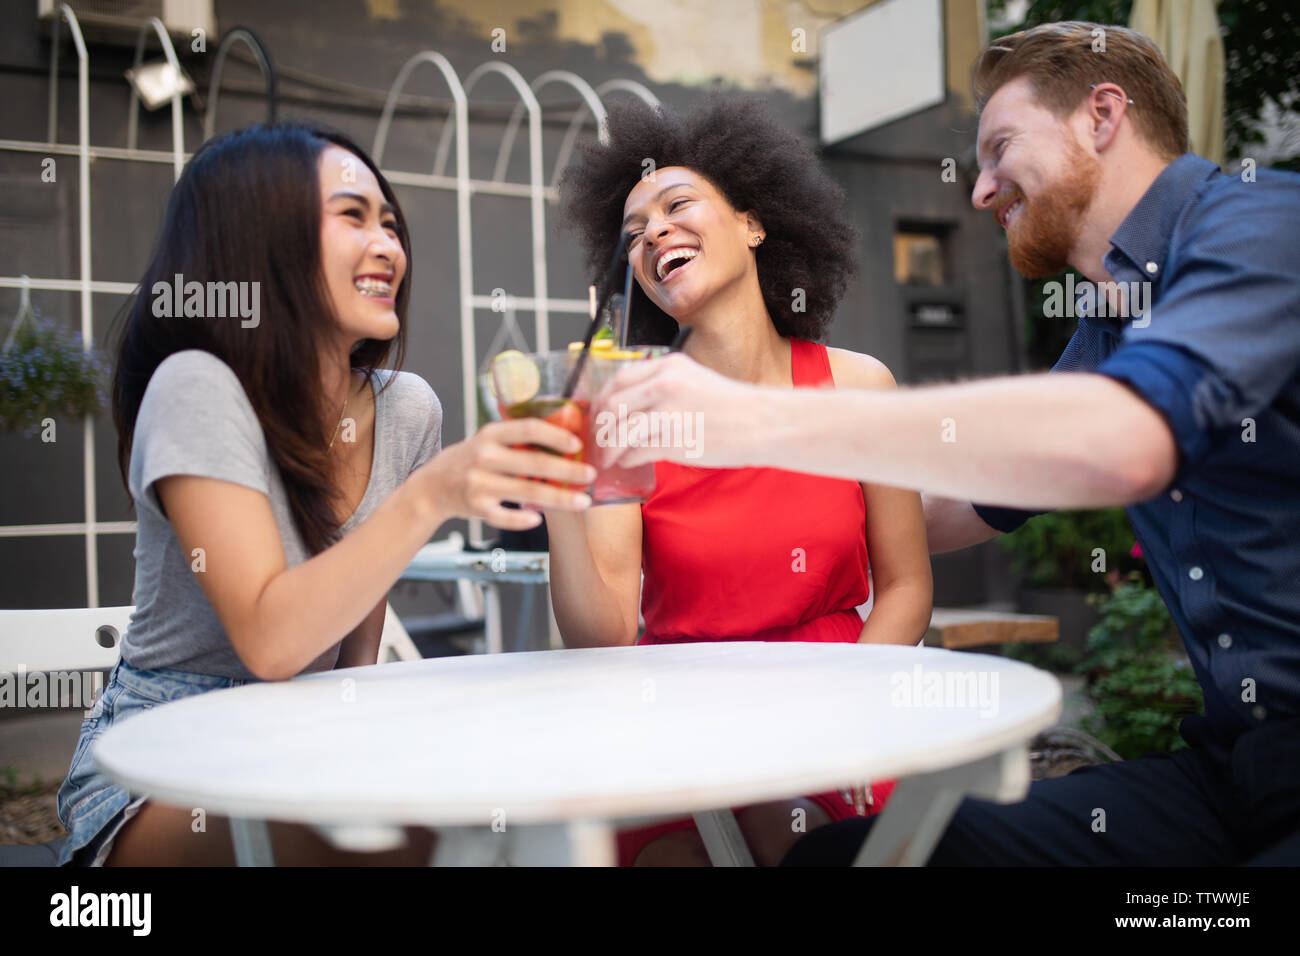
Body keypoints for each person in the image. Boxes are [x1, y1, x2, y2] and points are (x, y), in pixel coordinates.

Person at [596, 21, 1300, 866]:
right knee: (859, 856)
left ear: (1102, 115)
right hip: (1233, 771)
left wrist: (755, 419)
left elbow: (1124, 441)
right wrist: (755, 525)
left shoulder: (1260, 226)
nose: (980, 189)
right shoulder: (1115, 320)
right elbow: (968, 498)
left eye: (1001, 147)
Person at [56, 123, 593, 866]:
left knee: (514, 790)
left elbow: (353, 659)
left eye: (390, 223)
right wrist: (432, 495)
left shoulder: (407, 409)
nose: (389, 247)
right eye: (353, 216)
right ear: (259, 236)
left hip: (302, 741)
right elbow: (273, 643)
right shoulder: (198, 388)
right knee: (426, 839)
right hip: (165, 761)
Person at [549, 98, 934, 866]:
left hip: (840, 701)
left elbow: (906, 589)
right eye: (632, 233)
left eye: (676, 205)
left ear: (755, 224)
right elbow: (600, 633)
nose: (652, 232)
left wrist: (849, 713)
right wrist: (563, 476)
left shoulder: (860, 390)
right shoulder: (628, 415)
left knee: (798, 830)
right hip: (679, 721)